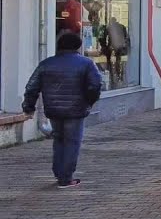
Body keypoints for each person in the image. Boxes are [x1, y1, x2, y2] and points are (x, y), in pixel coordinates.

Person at [22, 31, 102, 188]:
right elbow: (95, 85)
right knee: (72, 142)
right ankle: (66, 178)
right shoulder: (86, 63)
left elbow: (32, 87)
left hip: (54, 110)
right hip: (76, 110)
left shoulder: (47, 63)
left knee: (59, 141)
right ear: (78, 46)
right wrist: (89, 101)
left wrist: (28, 107)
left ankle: (59, 173)